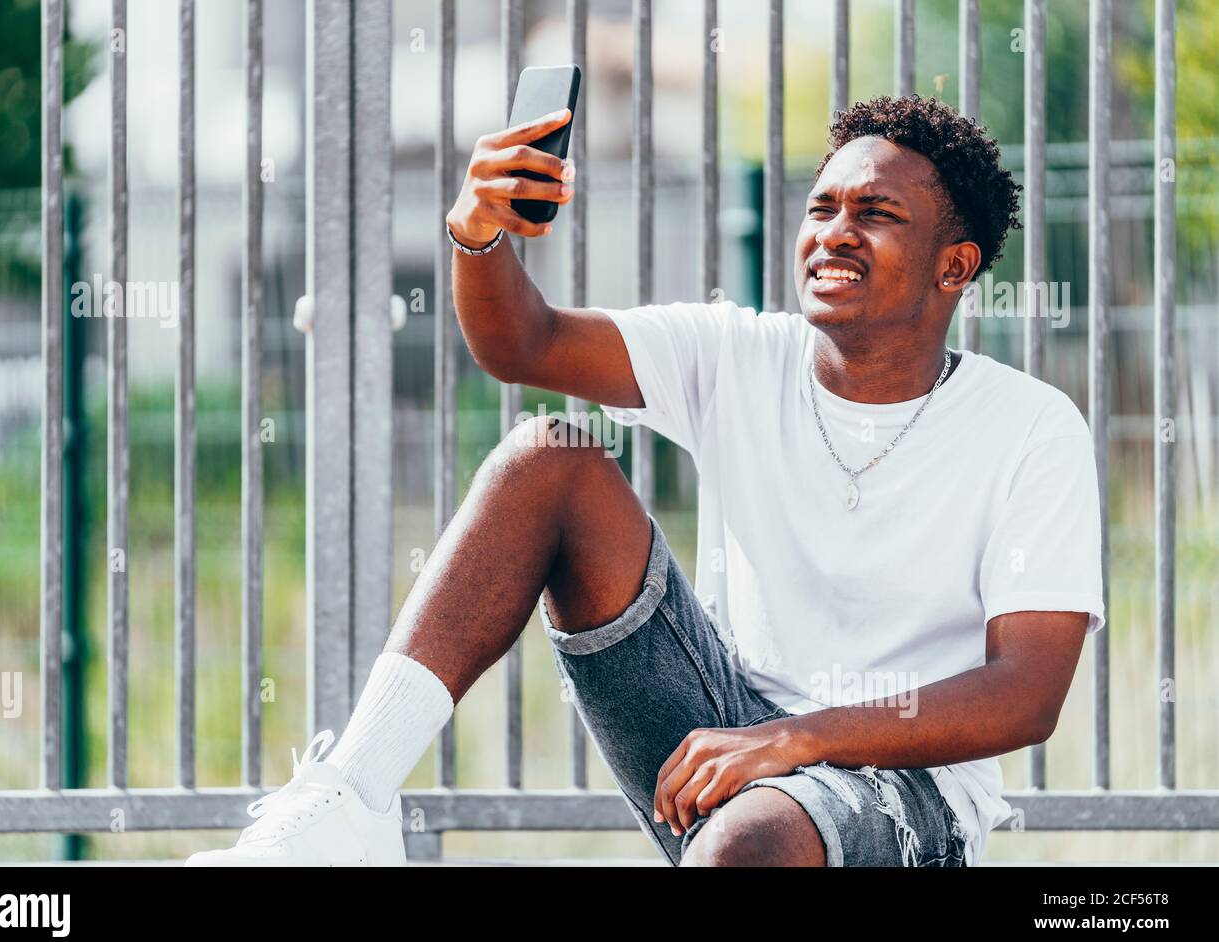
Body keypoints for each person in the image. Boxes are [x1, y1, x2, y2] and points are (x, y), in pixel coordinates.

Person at [187, 94, 1104, 867]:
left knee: (745, 846)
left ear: (955, 265)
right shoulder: (739, 355)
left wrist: (800, 737)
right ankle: (352, 803)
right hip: (720, 721)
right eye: (822, 206)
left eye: (876, 213)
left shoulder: (1029, 427)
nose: (835, 233)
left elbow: (1026, 692)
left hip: (906, 785)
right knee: (546, 459)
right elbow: (525, 343)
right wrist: (476, 233)